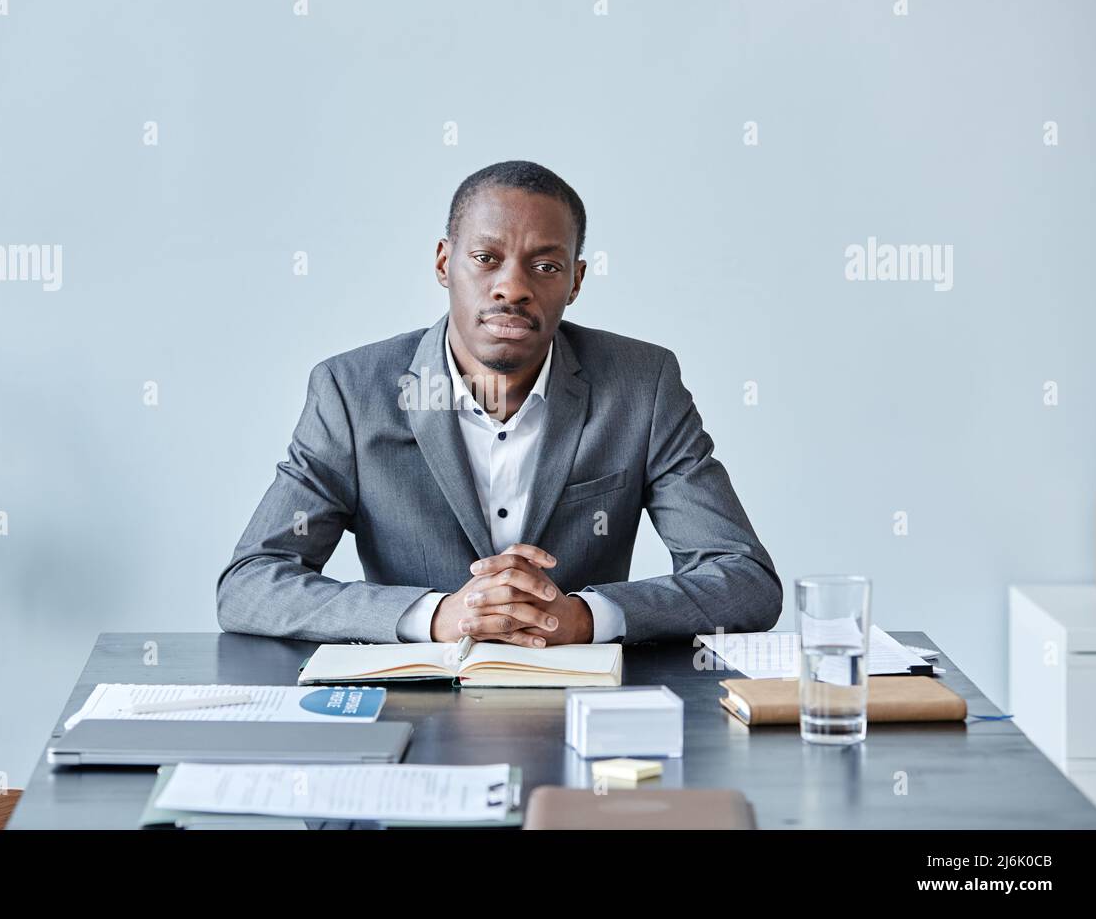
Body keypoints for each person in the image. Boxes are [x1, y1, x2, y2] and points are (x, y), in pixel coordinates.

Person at [218, 160, 780, 647]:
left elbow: (744, 578)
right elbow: (251, 584)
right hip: (419, 712)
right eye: (487, 258)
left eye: (546, 266)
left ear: (576, 281)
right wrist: (437, 616)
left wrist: (585, 617)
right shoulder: (352, 392)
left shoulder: (642, 385)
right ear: (444, 264)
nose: (513, 288)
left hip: (579, 710)